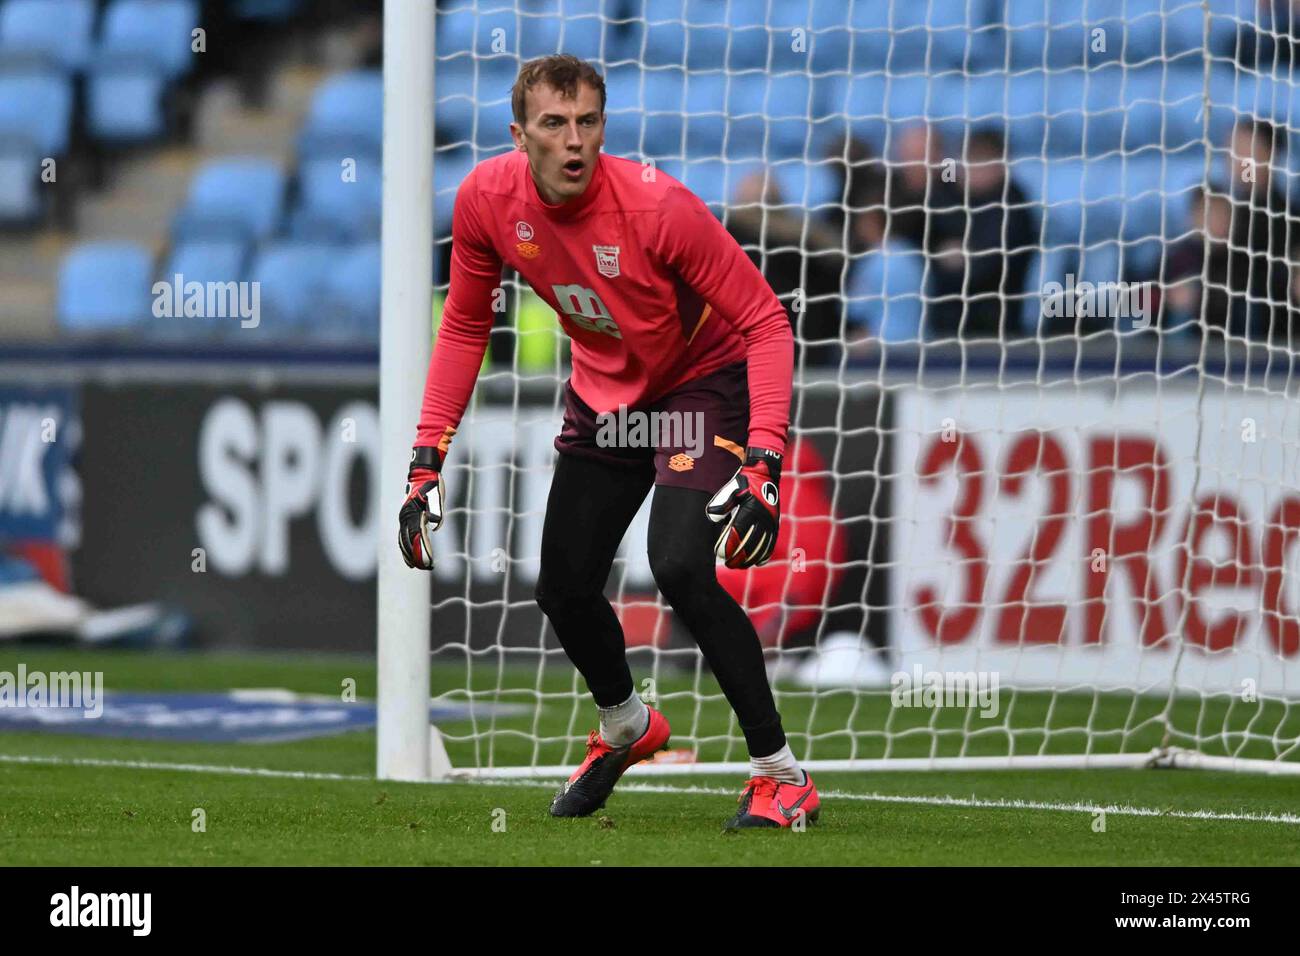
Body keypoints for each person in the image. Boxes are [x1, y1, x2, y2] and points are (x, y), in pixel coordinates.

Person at [397, 55, 818, 829]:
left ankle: (780, 775)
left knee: (683, 565)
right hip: (607, 394)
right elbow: (462, 326)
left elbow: (765, 322)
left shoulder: (660, 209)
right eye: (555, 124)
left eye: (587, 121)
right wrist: (426, 461)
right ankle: (627, 724)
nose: (573, 140)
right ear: (519, 134)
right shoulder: (486, 199)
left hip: (699, 383)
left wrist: (764, 458)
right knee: (561, 586)